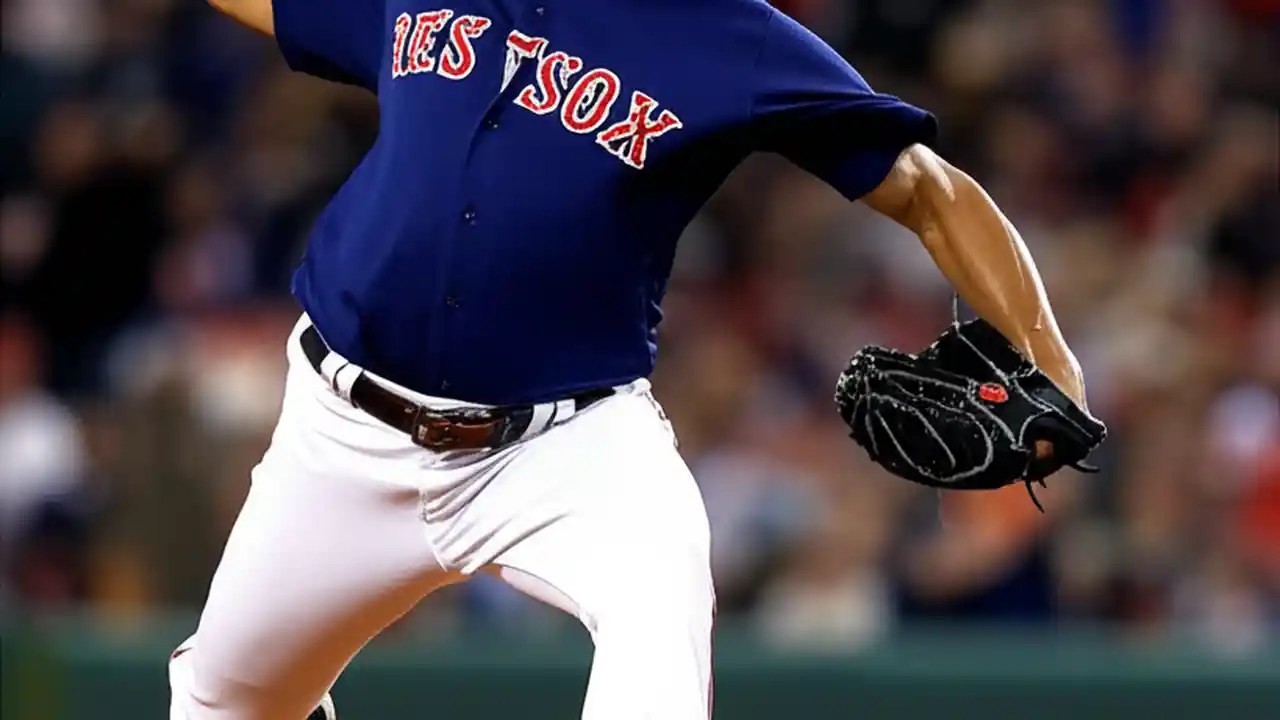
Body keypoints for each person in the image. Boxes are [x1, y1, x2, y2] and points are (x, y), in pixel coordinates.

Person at [170, 1, 1089, 718]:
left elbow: (930, 188)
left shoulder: (726, 33)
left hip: (565, 447)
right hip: (341, 437)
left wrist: (1052, 362)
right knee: (222, 699)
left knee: (660, 631)